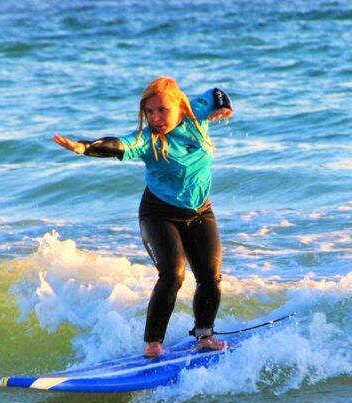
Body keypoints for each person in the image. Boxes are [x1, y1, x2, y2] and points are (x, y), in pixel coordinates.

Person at [53, 76, 233, 358]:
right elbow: (119, 145)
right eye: (150, 112)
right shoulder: (148, 140)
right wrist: (86, 147)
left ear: (180, 106)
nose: (156, 117)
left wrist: (224, 106)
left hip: (201, 211)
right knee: (172, 274)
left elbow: (216, 92)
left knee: (211, 277)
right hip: (159, 214)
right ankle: (152, 344)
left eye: (162, 110)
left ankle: (205, 336)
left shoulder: (196, 112)